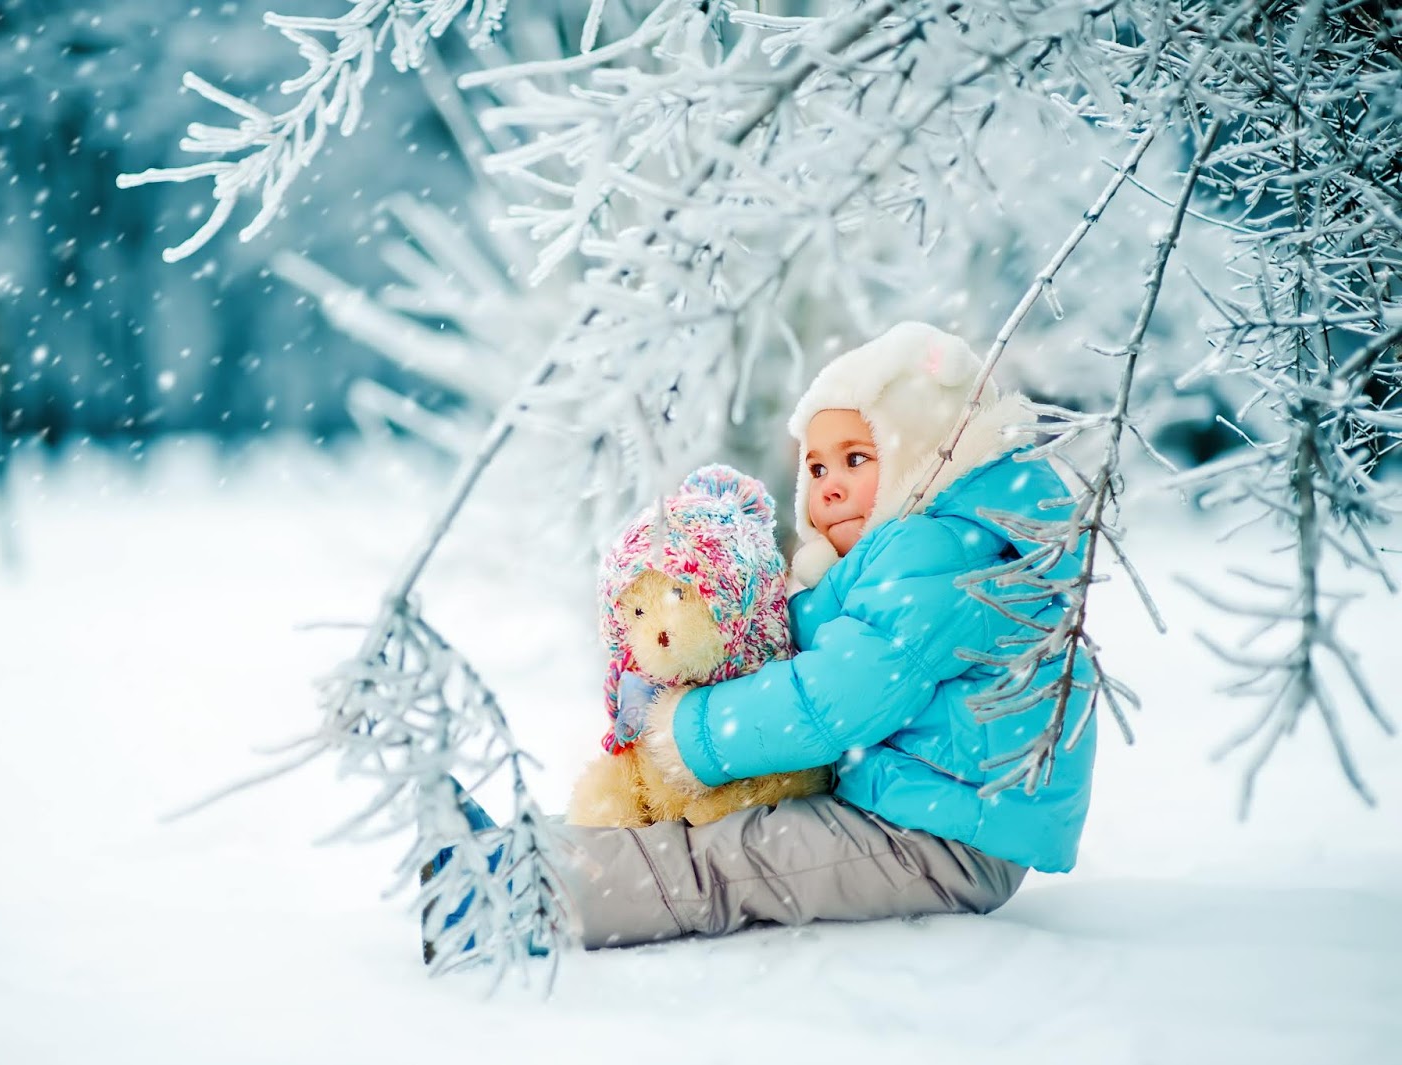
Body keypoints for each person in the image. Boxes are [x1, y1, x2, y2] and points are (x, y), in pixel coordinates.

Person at [426, 320, 1096, 957]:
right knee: (714, 823)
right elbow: (818, 655)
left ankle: (517, 894)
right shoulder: (918, 550)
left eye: (856, 459)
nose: (829, 487)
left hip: (943, 838)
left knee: (726, 859)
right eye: (816, 468)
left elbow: (834, 698)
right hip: (914, 808)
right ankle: (535, 849)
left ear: (922, 452)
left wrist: (690, 727)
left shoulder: (939, 553)